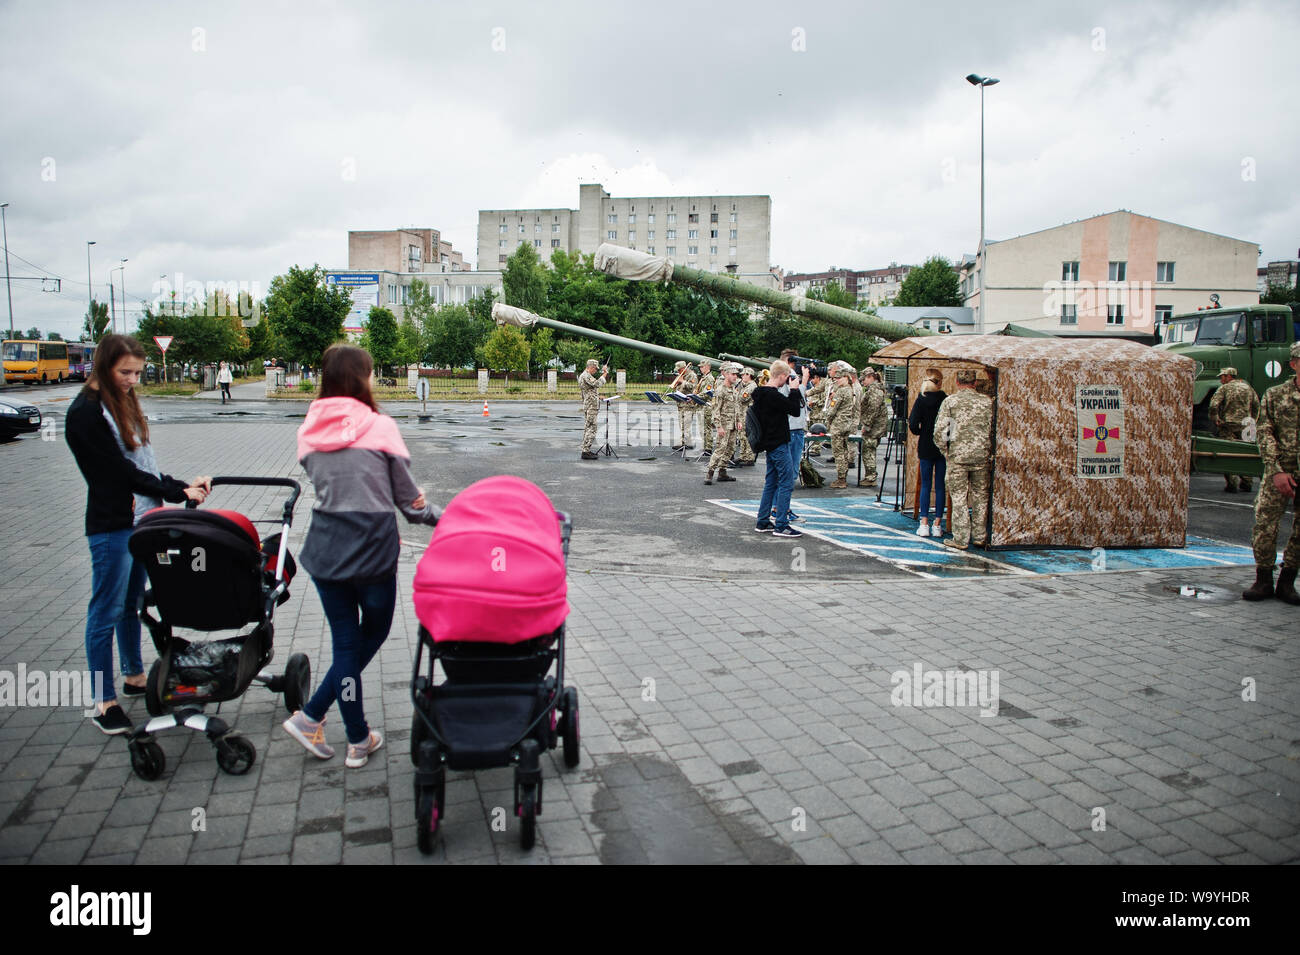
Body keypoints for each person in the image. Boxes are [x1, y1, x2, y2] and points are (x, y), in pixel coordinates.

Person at [285, 343, 441, 766]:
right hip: (371, 552)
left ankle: (345, 733)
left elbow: (336, 485)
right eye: (370, 373)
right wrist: (445, 518)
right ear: (360, 378)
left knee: (345, 646)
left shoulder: (308, 432)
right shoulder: (380, 427)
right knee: (368, 635)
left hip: (324, 551)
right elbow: (410, 505)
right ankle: (328, 723)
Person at [65, 334, 212, 734]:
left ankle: (132, 676)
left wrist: (182, 486)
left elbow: (141, 466)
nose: (132, 379)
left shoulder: (121, 404)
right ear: (103, 367)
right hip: (113, 525)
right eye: (124, 372)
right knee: (105, 611)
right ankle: (102, 701)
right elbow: (119, 473)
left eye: (137, 372)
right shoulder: (86, 413)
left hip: (142, 521)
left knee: (132, 605)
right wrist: (176, 490)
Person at [1242, 342, 1300, 604]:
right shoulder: (1276, 395)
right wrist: (1276, 470)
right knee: (1265, 525)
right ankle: (1263, 579)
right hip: (1280, 470)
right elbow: (1265, 432)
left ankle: (1288, 581)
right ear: (1294, 364)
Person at [934, 369, 994, 550]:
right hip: (981, 456)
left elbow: (940, 431)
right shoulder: (987, 402)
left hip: (958, 456)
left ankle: (961, 538)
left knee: (959, 497)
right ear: (975, 383)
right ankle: (980, 535)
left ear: (957, 382)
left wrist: (945, 450)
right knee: (980, 496)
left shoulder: (951, 401)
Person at [751, 360, 807, 538]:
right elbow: (795, 410)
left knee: (771, 482)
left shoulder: (759, 393)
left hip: (768, 443)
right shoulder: (773, 396)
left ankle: (763, 520)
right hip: (779, 443)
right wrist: (795, 390)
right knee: (786, 482)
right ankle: (781, 524)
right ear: (782, 376)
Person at [908, 368, 948, 537]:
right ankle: (938, 523)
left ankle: (924, 521)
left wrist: (921, 432)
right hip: (942, 445)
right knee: (940, 485)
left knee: (925, 484)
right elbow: (950, 423)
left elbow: (913, 423)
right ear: (939, 383)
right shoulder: (945, 400)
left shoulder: (921, 399)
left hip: (925, 444)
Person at [1208, 367, 1260, 493]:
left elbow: (1213, 405)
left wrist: (1215, 419)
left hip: (1229, 424)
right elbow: (1257, 405)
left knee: (1228, 452)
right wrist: (1253, 420)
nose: (1221, 380)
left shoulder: (1224, 388)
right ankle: (1247, 482)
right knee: (1246, 453)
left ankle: (1232, 483)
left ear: (1228, 376)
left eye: (1222, 377)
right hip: (1247, 425)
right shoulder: (1248, 388)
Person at [704, 363, 743, 485]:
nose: (735, 377)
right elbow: (715, 410)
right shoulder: (720, 390)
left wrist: (739, 421)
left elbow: (737, 407)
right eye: (733, 374)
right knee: (720, 448)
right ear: (726, 374)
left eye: (736, 375)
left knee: (731, 448)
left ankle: (722, 471)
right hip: (724, 425)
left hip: (733, 424)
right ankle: (710, 472)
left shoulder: (733, 389)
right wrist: (719, 426)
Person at [825, 362, 858, 489]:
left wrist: (827, 420)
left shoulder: (841, 392)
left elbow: (832, 410)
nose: (837, 380)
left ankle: (841, 479)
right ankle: (843, 476)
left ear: (845, 377)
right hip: (846, 424)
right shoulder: (851, 390)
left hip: (838, 425)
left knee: (838, 453)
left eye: (839, 378)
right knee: (844, 452)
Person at [857, 367, 888, 488]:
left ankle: (871, 477)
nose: (863, 382)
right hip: (876, 425)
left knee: (868, 450)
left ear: (870, 377)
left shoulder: (875, 390)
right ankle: (870, 476)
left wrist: (867, 424)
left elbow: (873, 408)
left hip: (874, 427)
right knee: (868, 450)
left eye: (864, 379)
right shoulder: (874, 389)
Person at [578, 358, 609, 460]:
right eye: (595, 369)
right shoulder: (586, 375)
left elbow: (589, 391)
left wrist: (597, 397)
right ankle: (586, 451)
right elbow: (597, 384)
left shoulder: (585, 375)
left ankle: (586, 449)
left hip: (590, 404)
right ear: (591, 367)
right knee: (592, 428)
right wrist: (605, 373)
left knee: (588, 428)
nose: (596, 371)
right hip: (591, 406)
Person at [669, 360, 698, 451]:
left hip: (688, 404)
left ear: (683, 369)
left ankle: (684, 443)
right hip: (681, 404)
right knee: (682, 424)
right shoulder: (681, 376)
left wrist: (683, 382)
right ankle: (687, 442)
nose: (678, 372)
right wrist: (676, 385)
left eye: (679, 370)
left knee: (686, 424)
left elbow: (693, 387)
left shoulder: (692, 375)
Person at [735, 367, 758, 467]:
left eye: (744, 374)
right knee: (742, 435)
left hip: (748, 413)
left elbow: (742, 398)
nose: (742, 376)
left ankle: (749, 457)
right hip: (742, 413)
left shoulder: (752, 386)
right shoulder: (744, 385)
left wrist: (737, 392)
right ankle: (743, 455)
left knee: (748, 435)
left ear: (749, 375)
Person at [697, 360, 716, 454]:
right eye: (700, 367)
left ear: (708, 367)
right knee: (702, 427)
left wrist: (695, 396)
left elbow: (707, 394)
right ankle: (705, 446)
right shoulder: (704, 378)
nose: (700, 368)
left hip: (706, 406)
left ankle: (708, 447)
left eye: (702, 367)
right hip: (701, 405)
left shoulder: (709, 378)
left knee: (706, 428)